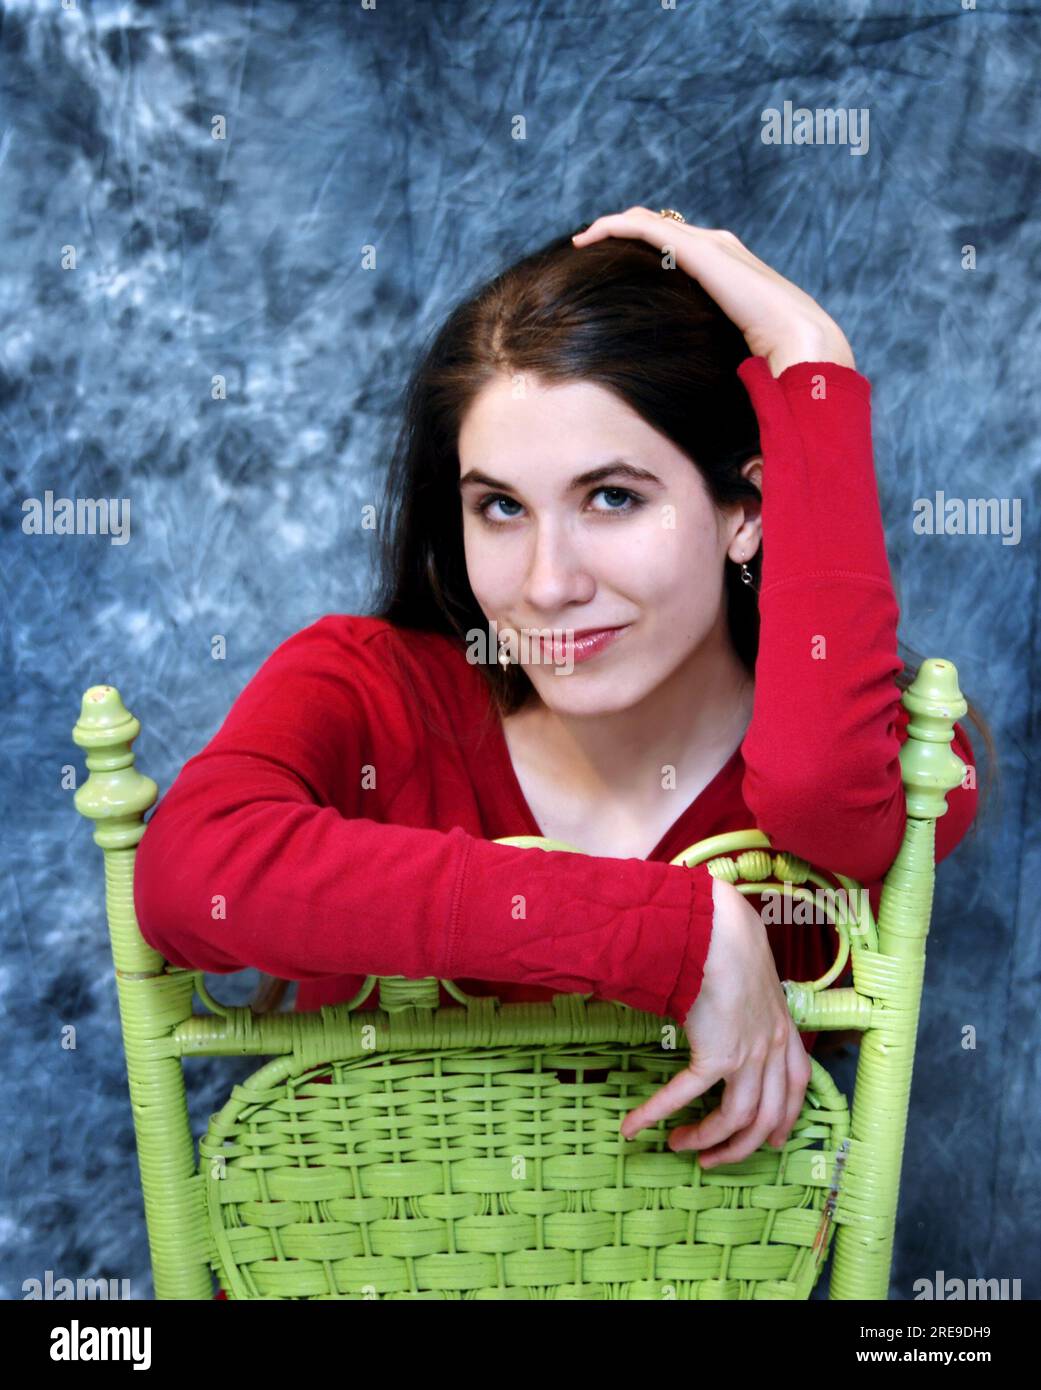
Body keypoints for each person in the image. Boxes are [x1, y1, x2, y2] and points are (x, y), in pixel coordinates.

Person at [133, 208, 988, 1180]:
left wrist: (811, 362)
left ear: (744, 511)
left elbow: (818, 788)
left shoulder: (889, 751)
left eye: (612, 498)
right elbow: (183, 875)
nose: (546, 583)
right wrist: (672, 930)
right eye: (500, 507)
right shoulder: (371, 690)